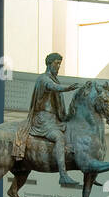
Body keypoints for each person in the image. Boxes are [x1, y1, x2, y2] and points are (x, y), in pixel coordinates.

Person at [20, 52, 84, 187]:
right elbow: (52, 87)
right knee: (59, 137)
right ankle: (63, 175)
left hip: (53, 119)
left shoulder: (54, 79)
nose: (59, 66)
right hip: (43, 119)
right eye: (56, 63)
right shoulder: (44, 79)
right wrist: (67, 88)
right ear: (49, 64)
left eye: (60, 63)